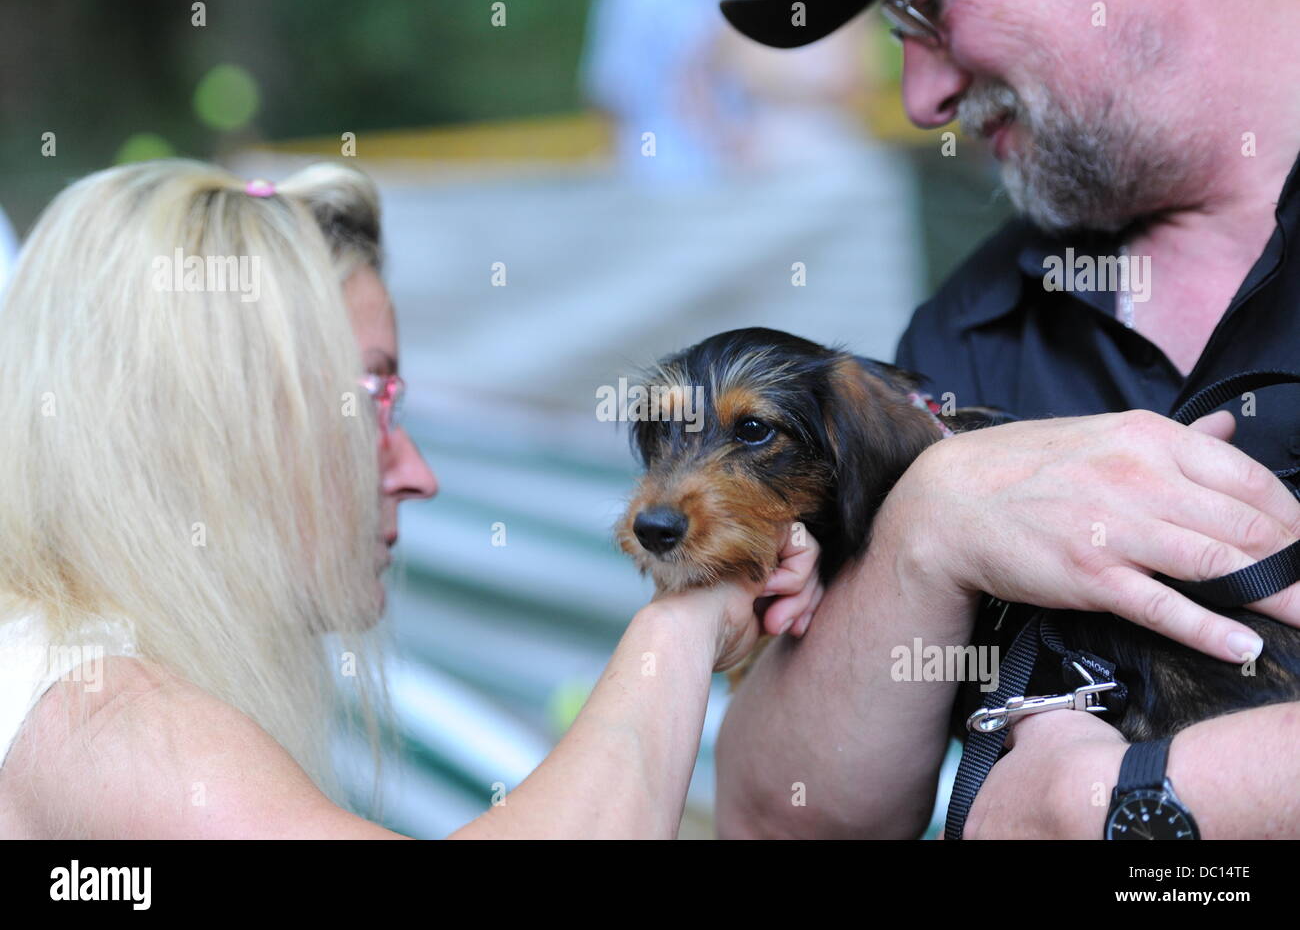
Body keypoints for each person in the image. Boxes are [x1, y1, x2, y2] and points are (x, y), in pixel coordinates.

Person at [0, 159, 821, 839]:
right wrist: (680, 629)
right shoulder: (97, 717)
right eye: (370, 401)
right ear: (204, 421)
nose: (418, 472)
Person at [713, 0, 1300, 838]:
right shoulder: (969, 338)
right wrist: (927, 526)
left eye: (923, 3)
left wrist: (1127, 804)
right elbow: (776, 824)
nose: (922, 96)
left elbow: (1086, 815)